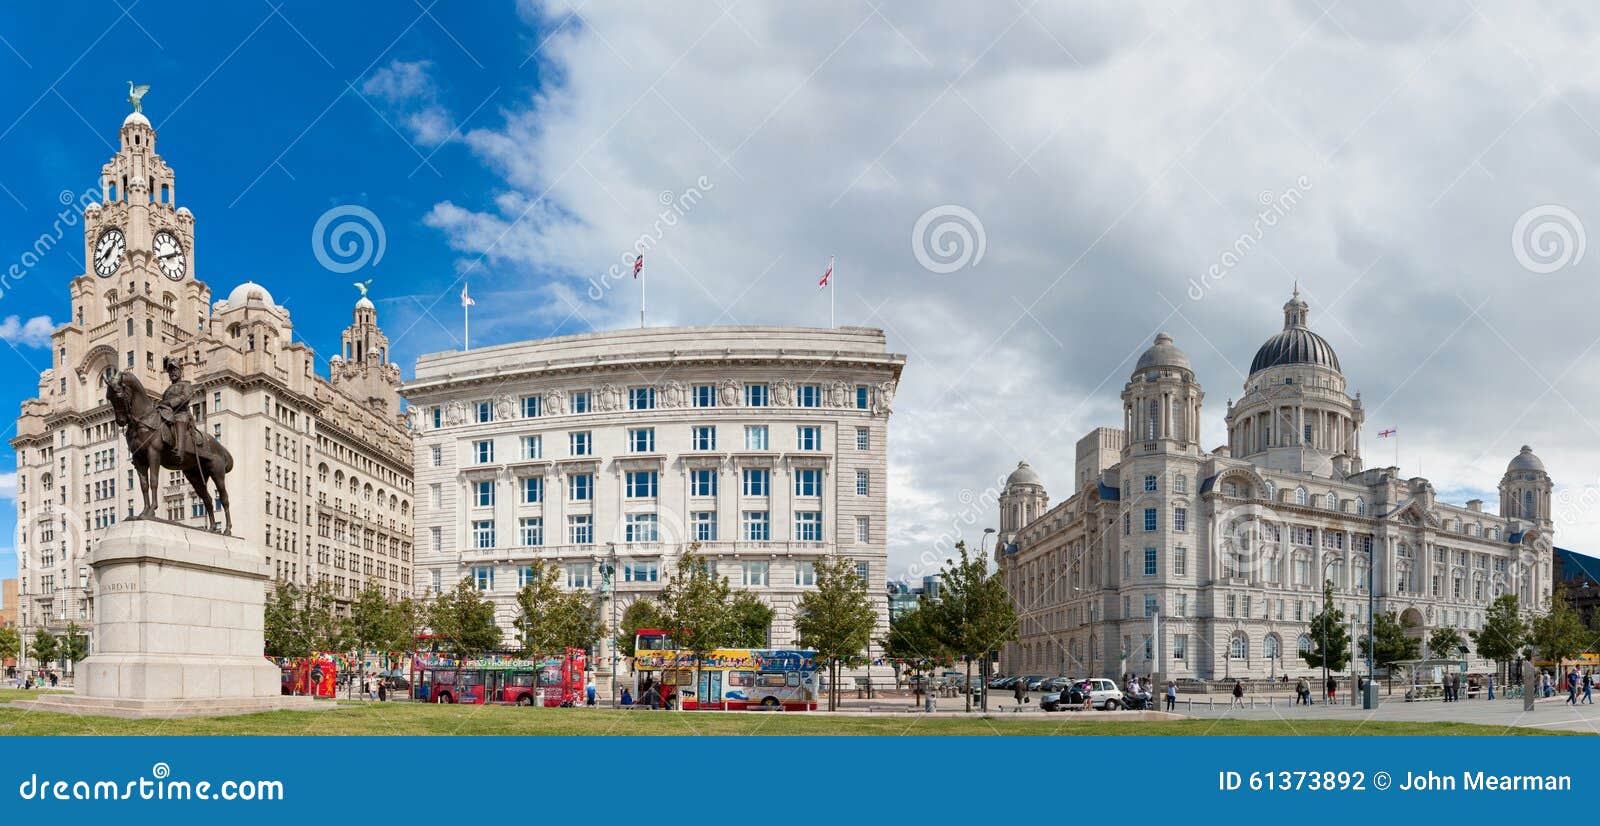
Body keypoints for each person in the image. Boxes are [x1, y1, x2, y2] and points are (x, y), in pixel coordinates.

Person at [156, 356, 201, 460]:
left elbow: (185, 397)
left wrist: (170, 403)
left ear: (181, 371)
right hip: (167, 414)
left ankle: (179, 450)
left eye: (175, 369)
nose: (173, 373)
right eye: (170, 371)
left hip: (181, 413)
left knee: (179, 419)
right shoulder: (167, 390)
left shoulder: (186, 385)